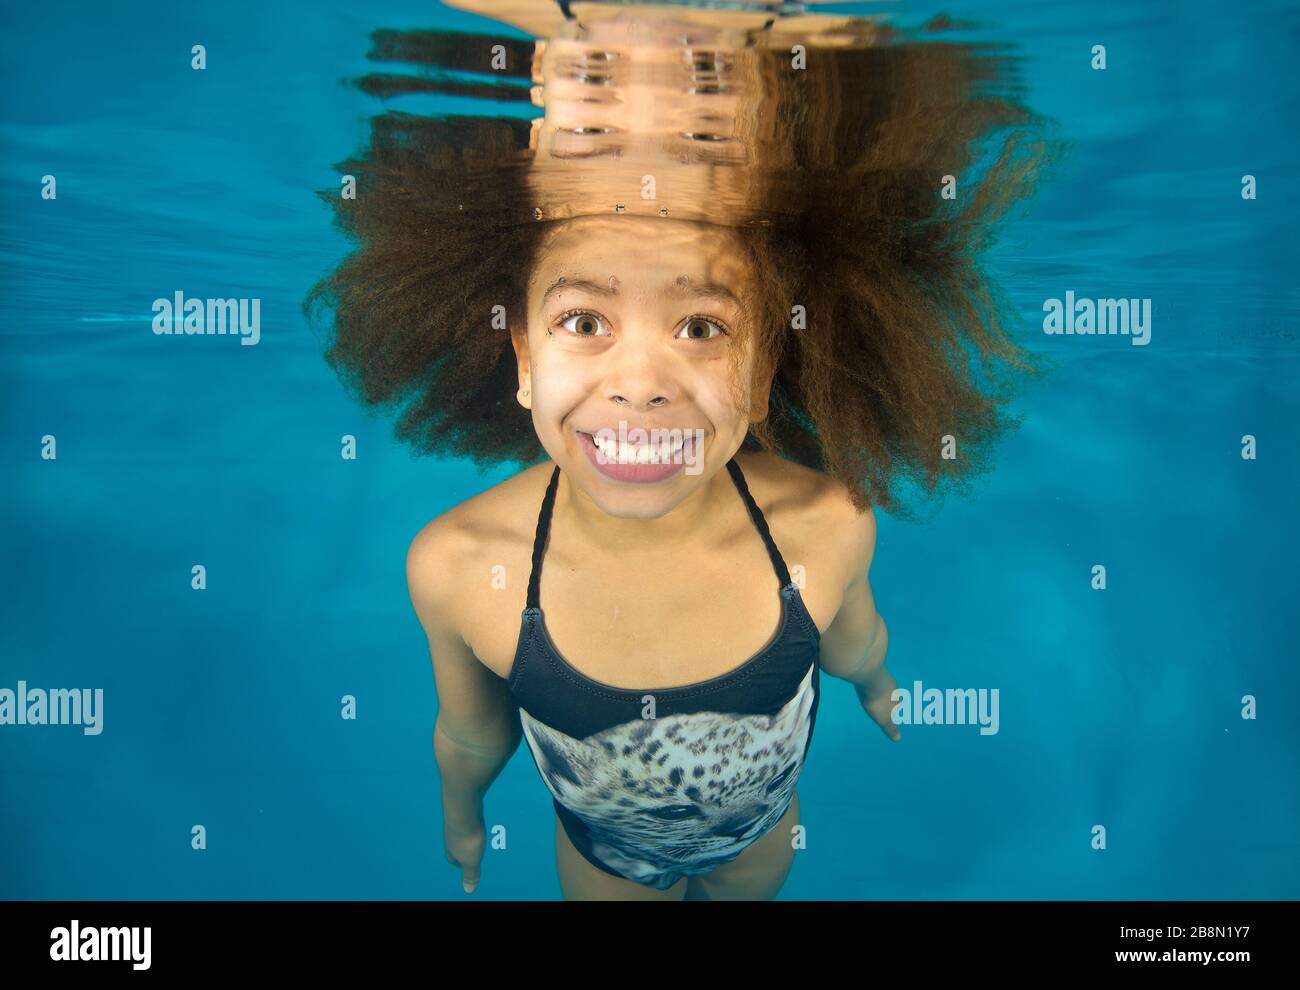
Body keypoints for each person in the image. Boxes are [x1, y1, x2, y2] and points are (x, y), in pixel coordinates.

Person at [307, 1, 1053, 899]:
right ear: (522, 362)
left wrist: (877, 682)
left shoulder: (824, 526)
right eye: (584, 321)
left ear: (767, 363)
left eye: (702, 326)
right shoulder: (458, 568)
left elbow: (856, 637)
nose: (641, 382)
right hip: (603, 860)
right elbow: (471, 734)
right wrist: (460, 815)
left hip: (762, 838)